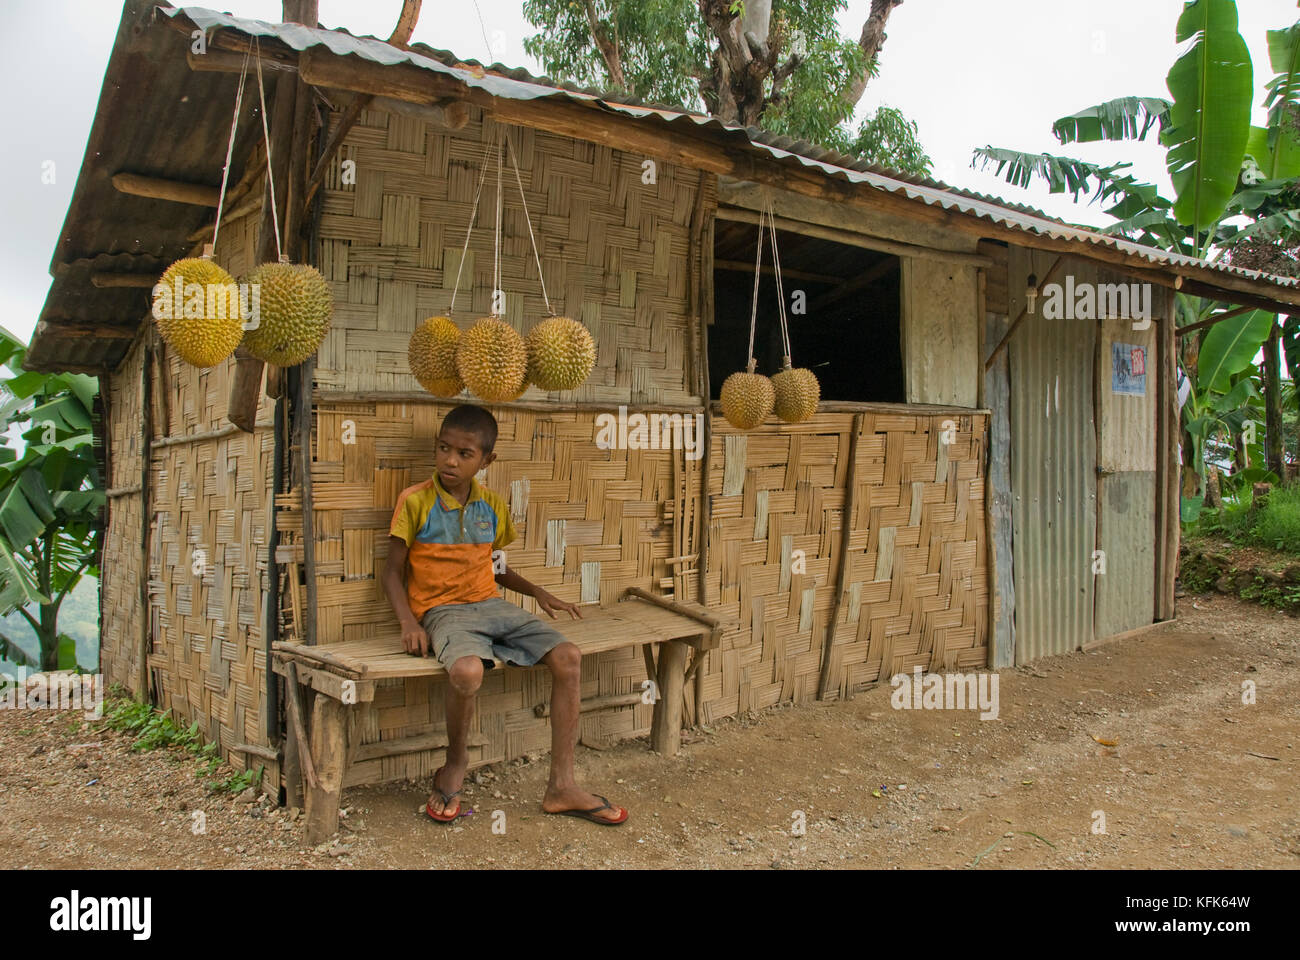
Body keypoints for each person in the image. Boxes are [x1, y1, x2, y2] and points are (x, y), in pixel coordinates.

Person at [383, 403, 628, 826]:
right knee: (467, 673)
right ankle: (454, 766)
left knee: (569, 656)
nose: (450, 460)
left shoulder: (491, 506)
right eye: (444, 449)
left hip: (492, 606)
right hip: (444, 613)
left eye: (464, 454)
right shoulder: (415, 502)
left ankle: (562, 786)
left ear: (486, 460)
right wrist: (408, 622)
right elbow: (391, 572)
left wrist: (537, 592)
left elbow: (494, 566)